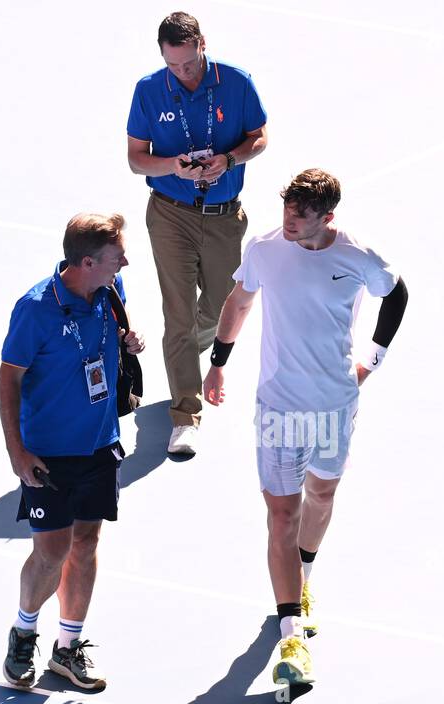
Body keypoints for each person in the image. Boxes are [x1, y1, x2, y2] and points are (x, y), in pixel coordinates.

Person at [202, 169, 409, 688]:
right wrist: (219, 361)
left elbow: (397, 293)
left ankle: (305, 577)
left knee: (321, 494)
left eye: (301, 215)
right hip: (278, 406)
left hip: (335, 403)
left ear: (327, 218)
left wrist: (373, 360)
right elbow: (240, 301)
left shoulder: (357, 256)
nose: (289, 222)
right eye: (287, 211)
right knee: (282, 512)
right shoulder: (266, 248)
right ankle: (291, 631)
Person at [0, 213, 146, 691]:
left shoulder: (110, 289)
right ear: (86, 262)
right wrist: (18, 453)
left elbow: (115, 336)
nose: (124, 262)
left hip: (100, 444)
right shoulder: (35, 308)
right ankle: (23, 635)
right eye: (115, 257)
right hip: (48, 454)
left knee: (85, 545)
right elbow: (8, 380)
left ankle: (68, 648)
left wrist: (128, 342)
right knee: (52, 551)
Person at [126, 10, 268, 456]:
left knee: (222, 304)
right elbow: (135, 159)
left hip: (225, 214)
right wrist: (172, 167)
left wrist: (229, 160)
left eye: (189, 63)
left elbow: (259, 137)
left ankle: (188, 350)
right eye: (173, 66)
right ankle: (185, 414)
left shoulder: (237, 82)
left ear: (202, 44)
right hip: (170, 214)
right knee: (179, 314)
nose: (183, 73)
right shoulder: (149, 91)